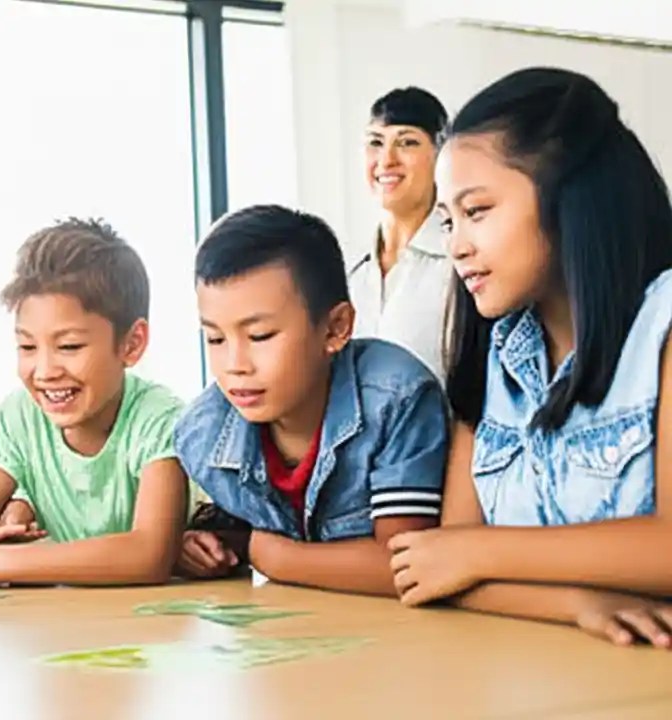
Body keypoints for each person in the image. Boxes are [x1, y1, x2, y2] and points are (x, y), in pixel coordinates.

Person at [387, 67, 672, 648]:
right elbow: (436, 569)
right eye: (448, 221)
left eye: (478, 211)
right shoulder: (493, 355)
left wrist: (480, 551)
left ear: (570, 199)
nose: (456, 245)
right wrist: (573, 603)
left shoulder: (662, 327)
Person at [175, 205, 447, 596]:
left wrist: (272, 555)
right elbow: (221, 535)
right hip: (289, 635)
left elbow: (405, 566)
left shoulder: (396, 400)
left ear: (336, 328)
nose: (235, 365)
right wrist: (198, 548)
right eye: (215, 339)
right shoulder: (202, 432)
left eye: (260, 336)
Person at [0, 218, 188, 587]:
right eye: (27, 347)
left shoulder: (158, 418)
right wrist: (0, 528)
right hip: (64, 621)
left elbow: (149, 556)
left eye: (69, 347)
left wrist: (1, 563)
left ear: (131, 344)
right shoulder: (18, 417)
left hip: (154, 624)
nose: (45, 371)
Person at [348, 87, 452, 379]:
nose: (386, 160)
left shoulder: (461, 263)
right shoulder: (348, 272)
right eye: (375, 142)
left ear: (440, 155)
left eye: (407, 142)